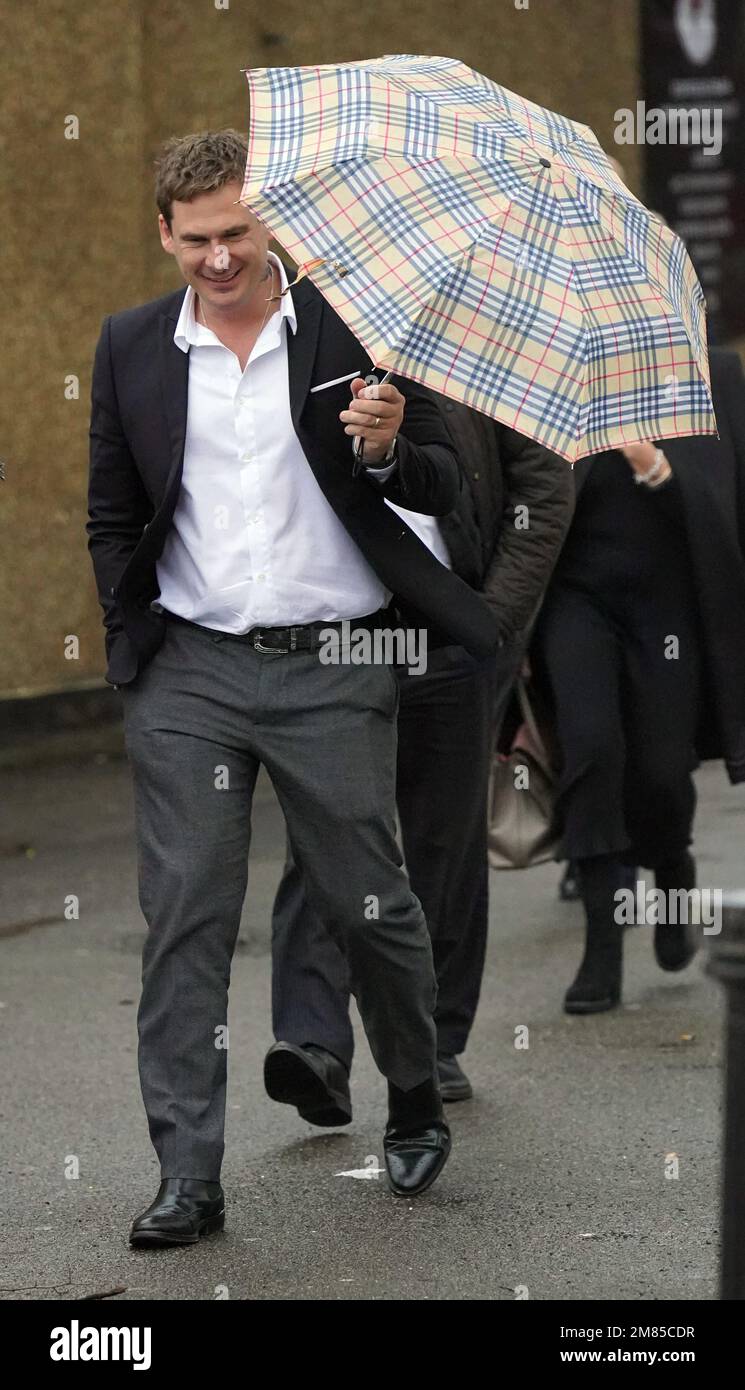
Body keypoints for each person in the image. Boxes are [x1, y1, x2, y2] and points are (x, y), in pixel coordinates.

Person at [87, 129, 503, 1244]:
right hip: (191, 670)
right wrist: (132, 646)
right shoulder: (130, 346)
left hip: (337, 661)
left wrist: (382, 446)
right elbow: (113, 512)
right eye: (196, 241)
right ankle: (188, 1174)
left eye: (236, 234)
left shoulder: (349, 328)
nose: (219, 258)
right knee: (184, 917)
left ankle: (413, 1091)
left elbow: (444, 483)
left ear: (266, 223)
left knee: (370, 901)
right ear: (164, 234)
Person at [267, 403, 574, 1114]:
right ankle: (315, 1044)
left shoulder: (484, 350)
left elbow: (542, 490)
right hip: (333, 633)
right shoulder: (301, 342)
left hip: (447, 631)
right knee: (325, 826)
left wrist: (487, 620)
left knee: (444, 838)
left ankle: (433, 1041)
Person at [532, 347, 745, 1014]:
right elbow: (510, 491)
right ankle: (601, 943)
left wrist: (655, 466)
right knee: (591, 753)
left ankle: (672, 870)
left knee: (658, 770)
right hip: (574, 599)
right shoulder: (542, 372)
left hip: (668, 601)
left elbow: (726, 497)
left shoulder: (708, 372)